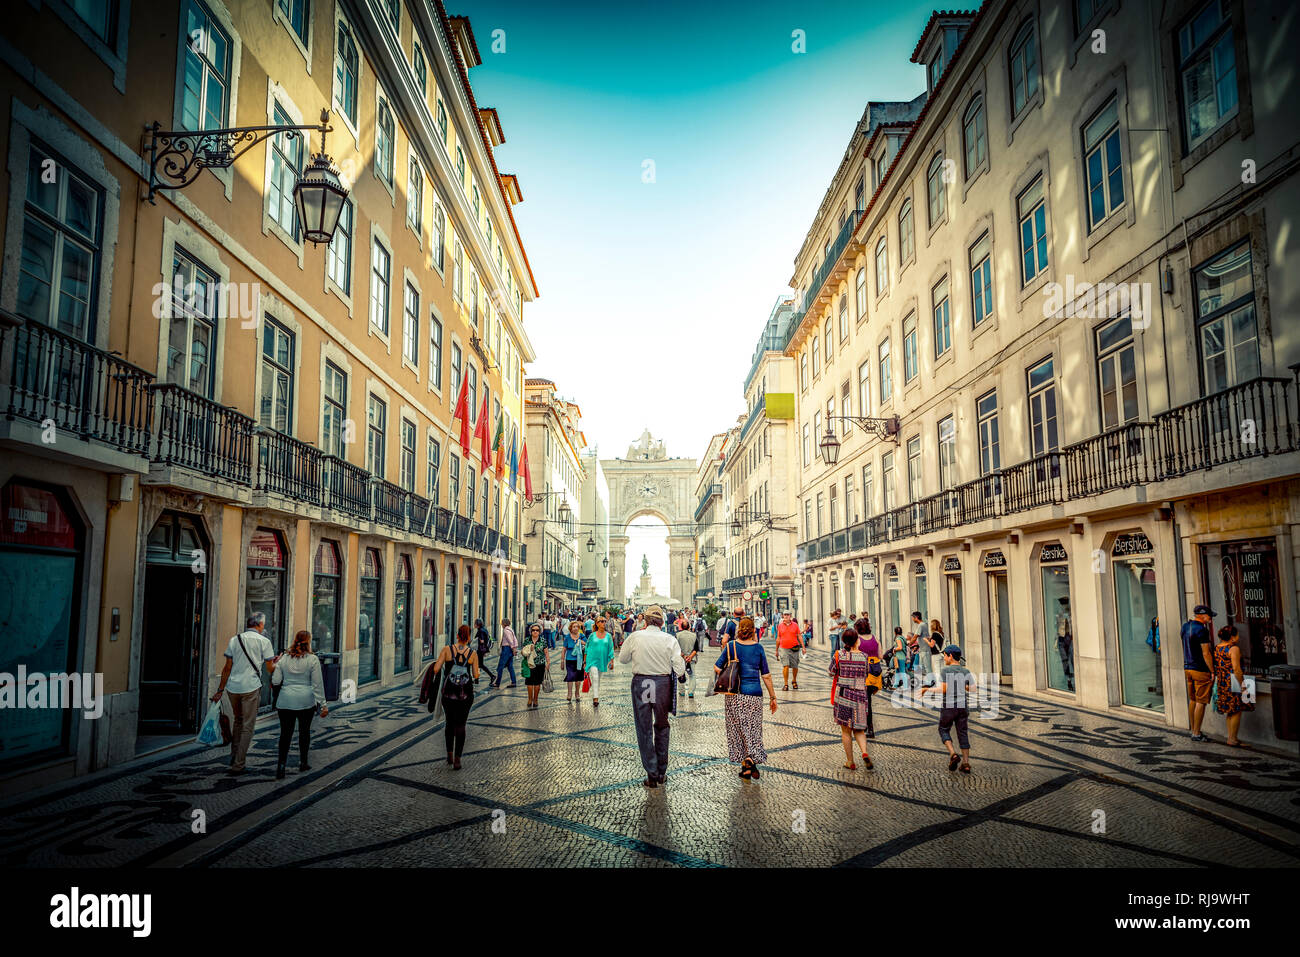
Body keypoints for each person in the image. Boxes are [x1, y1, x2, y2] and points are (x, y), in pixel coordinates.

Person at [618, 605, 685, 788]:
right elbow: (679, 665)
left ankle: (652, 772)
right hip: (662, 684)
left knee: (644, 728)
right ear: (662, 622)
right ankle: (662, 771)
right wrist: (680, 676)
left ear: (645, 621)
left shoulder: (635, 637)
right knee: (662, 726)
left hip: (641, 683)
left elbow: (622, 659)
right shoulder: (669, 639)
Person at [211, 612, 277, 775]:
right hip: (251, 687)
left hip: (233, 687)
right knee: (248, 726)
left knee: (238, 721)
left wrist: (220, 690)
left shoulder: (235, 639)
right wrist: (277, 663)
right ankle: (238, 764)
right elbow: (270, 669)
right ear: (260, 625)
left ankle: (234, 756)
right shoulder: (264, 641)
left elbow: (227, 667)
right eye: (264, 624)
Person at [714, 616, 777, 779]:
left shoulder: (730, 646)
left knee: (738, 729)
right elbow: (766, 675)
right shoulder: (758, 648)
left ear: (739, 630)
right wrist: (773, 697)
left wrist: (729, 670)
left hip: (734, 695)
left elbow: (716, 667)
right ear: (753, 631)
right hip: (754, 694)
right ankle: (748, 764)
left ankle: (747, 761)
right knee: (754, 729)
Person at [271, 629, 328, 779]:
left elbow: (275, 681)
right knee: (304, 732)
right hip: (305, 700)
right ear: (309, 642)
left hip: (285, 700)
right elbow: (317, 684)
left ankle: (281, 765)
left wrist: (276, 665)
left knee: (285, 734)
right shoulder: (312, 659)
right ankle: (303, 762)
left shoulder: (284, 659)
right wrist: (323, 704)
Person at [917, 645, 976, 773]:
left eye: (945, 655)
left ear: (950, 656)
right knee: (963, 733)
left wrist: (927, 689)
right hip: (962, 706)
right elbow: (972, 689)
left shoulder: (945, 670)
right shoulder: (966, 671)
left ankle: (953, 754)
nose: (944, 658)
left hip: (949, 706)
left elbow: (944, 689)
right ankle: (966, 763)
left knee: (943, 729)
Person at [431, 624, 480, 769]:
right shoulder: (472, 654)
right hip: (465, 695)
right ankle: (458, 759)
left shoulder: (447, 650)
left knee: (449, 723)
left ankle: (449, 755)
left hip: (448, 694)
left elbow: (436, 669)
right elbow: (476, 674)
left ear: (457, 635)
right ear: (469, 637)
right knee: (461, 725)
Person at [829, 627, 872, 769]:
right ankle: (864, 753)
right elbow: (867, 672)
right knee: (859, 729)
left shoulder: (839, 655)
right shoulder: (864, 656)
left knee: (846, 730)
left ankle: (850, 761)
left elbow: (831, 671)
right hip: (860, 695)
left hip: (843, 696)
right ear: (856, 640)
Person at [1182, 605, 1216, 741]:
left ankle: (1193, 730)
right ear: (1202, 615)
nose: (1211, 618)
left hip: (1188, 667)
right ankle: (1196, 733)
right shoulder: (1202, 630)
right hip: (1200, 670)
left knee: (1193, 699)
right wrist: (1212, 671)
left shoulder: (1185, 626)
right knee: (1201, 701)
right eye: (1209, 616)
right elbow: (1206, 653)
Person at [1212, 623, 1248, 747]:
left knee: (1230, 711)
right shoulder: (1233, 648)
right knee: (1237, 710)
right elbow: (1236, 669)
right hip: (1233, 682)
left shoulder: (1217, 647)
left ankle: (1231, 737)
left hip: (1222, 681)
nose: (1238, 636)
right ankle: (1233, 739)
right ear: (1232, 637)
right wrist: (1243, 685)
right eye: (1237, 634)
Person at [586, 617, 614, 707]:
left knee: (598, 678)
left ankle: (595, 693)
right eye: (601, 621)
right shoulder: (592, 635)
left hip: (602, 660)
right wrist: (585, 661)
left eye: (604, 621)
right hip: (592, 660)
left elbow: (611, 648)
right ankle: (595, 698)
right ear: (597, 624)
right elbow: (587, 648)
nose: (603, 623)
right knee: (595, 676)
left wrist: (612, 660)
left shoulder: (608, 636)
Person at [776, 609, 806, 690]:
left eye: (788, 615)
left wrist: (803, 647)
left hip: (794, 648)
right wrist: (776, 650)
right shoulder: (780, 626)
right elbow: (778, 638)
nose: (786, 616)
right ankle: (786, 684)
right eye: (785, 615)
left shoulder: (795, 625)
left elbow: (799, 636)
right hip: (783, 648)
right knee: (785, 665)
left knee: (795, 666)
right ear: (783, 616)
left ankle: (794, 680)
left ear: (790, 616)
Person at [521, 622, 547, 708]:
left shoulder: (543, 640)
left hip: (540, 664)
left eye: (537, 630)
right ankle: (530, 699)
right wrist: (528, 650)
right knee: (529, 682)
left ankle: (535, 699)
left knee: (537, 683)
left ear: (540, 631)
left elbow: (546, 652)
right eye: (533, 630)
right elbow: (523, 652)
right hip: (529, 663)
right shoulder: (527, 640)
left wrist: (548, 662)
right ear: (530, 631)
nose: (535, 632)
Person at [676, 616, 702, 698]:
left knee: (680, 674)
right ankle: (691, 692)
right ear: (689, 627)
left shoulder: (677, 635)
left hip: (681, 658)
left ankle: (682, 691)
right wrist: (690, 657)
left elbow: (676, 648)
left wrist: (684, 656)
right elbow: (696, 648)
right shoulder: (694, 635)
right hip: (692, 659)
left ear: (681, 627)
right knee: (692, 675)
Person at [492, 617, 518, 688]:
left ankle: (497, 683)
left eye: (502, 623)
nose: (501, 624)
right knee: (510, 666)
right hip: (509, 649)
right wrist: (514, 647)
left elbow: (510, 640)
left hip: (506, 649)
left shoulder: (506, 631)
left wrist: (513, 648)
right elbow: (514, 639)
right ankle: (513, 682)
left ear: (504, 623)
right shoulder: (511, 630)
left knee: (500, 667)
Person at [564, 621, 587, 702]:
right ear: (571, 628)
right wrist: (561, 661)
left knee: (578, 678)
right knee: (570, 677)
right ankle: (569, 694)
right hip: (569, 659)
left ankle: (577, 693)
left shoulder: (582, 636)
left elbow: (587, 645)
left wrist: (582, 642)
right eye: (574, 627)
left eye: (577, 626)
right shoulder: (567, 637)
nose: (576, 628)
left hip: (579, 660)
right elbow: (564, 649)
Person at [474, 619, 492, 684]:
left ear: (477, 624)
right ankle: (476, 679)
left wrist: (475, 641)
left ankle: (492, 676)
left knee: (480, 664)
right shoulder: (484, 629)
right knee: (478, 664)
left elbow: (482, 641)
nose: (474, 624)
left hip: (480, 650)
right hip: (482, 650)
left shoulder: (480, 631)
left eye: (475, 623)